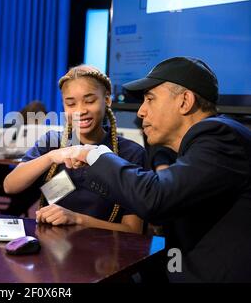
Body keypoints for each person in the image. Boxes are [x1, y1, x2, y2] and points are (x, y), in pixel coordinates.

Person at [62, 57, 251, 282]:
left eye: (150, 99)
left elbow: (155, 198)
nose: (141, 112)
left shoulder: (220, 136)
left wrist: (94, 154)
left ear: (185, 101)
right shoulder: (201, 145)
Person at [3, 65, 146, 234]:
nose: (80, 111)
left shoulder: (131, 153)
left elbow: (133, 229)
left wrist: (77, 219)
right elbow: (10, 186)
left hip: (103, 253)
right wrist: (52, 156)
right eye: (71, 104)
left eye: (89, 101)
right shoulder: (52, 143)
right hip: (52, 250)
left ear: (107, 99)